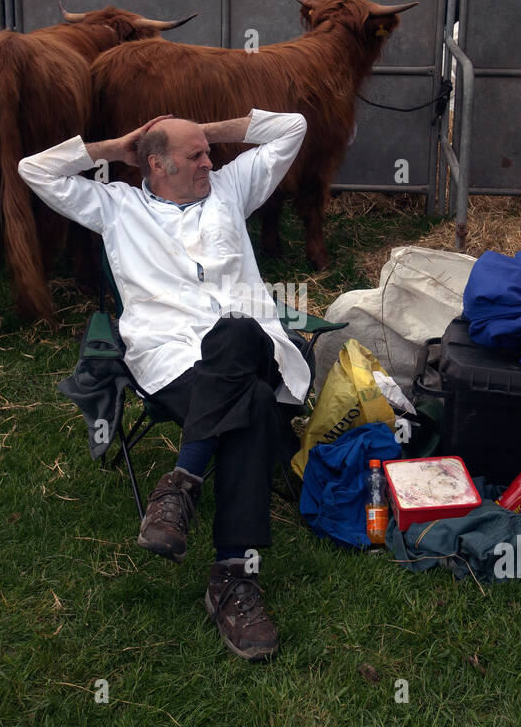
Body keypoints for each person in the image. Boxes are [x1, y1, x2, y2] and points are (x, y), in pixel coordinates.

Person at [18, 109, 309, 662]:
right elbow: (36, 170)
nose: (209, 162)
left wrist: (207, 131)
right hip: (172, 359)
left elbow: (291, 126)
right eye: (195, 155)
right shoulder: (116, 207)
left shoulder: (231, 188)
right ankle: (232, 577)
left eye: (209, 152)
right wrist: (114, 145)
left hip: (254, 347)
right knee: (246, 407)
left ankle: (181, 482)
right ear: (156, 164)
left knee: (238, 330)